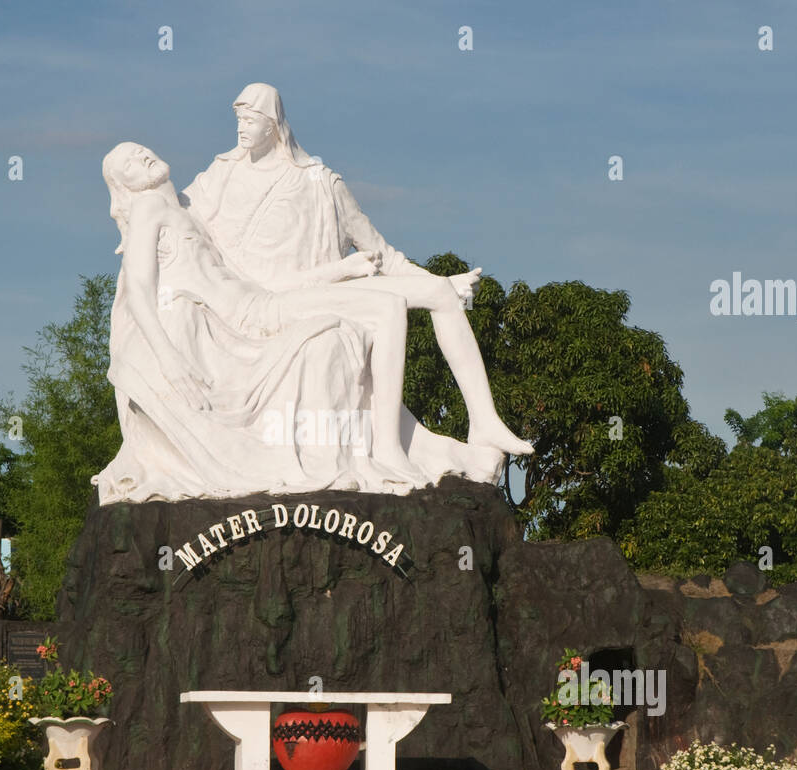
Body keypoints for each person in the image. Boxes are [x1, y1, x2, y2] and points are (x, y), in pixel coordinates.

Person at [93, 142, 498, 504]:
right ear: (123, 185)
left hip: (265, 302)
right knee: (387, 308)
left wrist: (340, 270)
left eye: (140, 148)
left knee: (400, 304)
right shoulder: (149, 208)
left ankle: (458, 428)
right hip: (252, 318)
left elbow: (256, 282)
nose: (140, 155)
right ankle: (389, 449)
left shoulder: (189, 212)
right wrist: (168, 359)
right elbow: (141, 293)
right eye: (128, 161)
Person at [181, 82, 534, 458]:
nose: (241, 128)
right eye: (239, 119)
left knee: (441, 296)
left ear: (273, 124)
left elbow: (384, 255)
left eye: (250, 120)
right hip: (266, 301)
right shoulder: (220, 176)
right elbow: (175, 216)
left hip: (317, 293)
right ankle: (387, 448)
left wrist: (441, 280)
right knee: (387, 309)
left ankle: (484, 423)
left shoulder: (321, 183)